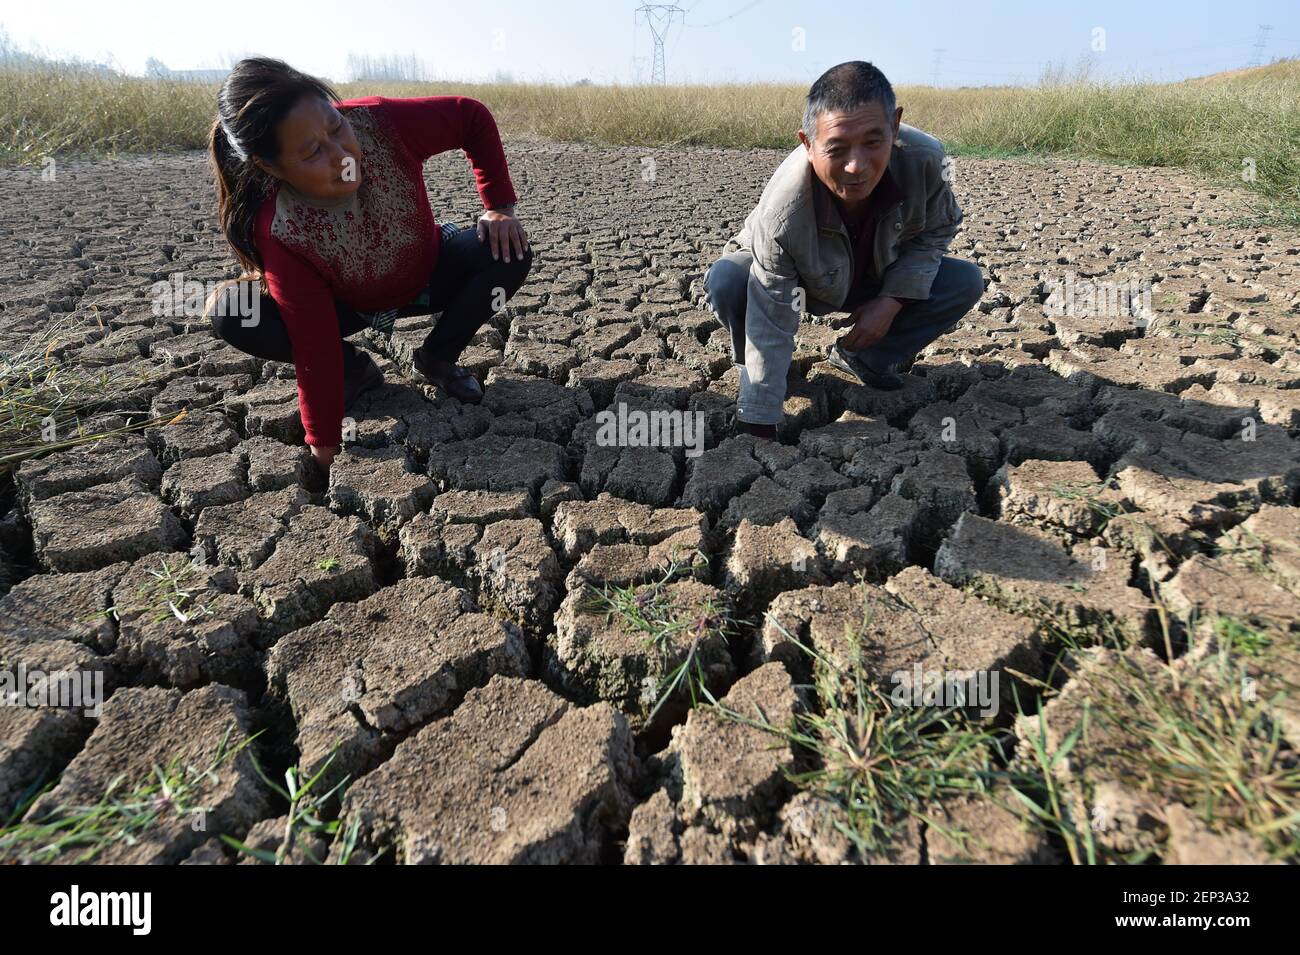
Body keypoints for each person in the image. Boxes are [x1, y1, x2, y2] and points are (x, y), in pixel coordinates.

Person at [203, 57, 533, 474]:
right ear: (269, 167)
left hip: (427, 272)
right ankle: (355, 370)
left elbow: (471, 117)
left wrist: (500, 207)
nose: (342, 155)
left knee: (509, 250)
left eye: (337, 127)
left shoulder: (382, 122)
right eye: (312, 153)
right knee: (232, 311)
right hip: (346, 304)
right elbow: (313, 345)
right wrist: (323, 447)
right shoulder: (282, 230)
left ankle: (438, 358)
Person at [703, 60, 984, 440]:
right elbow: (772, 310)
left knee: (964, 280)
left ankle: (865, 357)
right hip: (800, 282)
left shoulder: (926, 161)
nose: (857, 167)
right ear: (808, 144)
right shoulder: (784, 209)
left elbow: (936, 231)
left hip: (877, 275)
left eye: (873, 142)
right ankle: (760, 370)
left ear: (895, 126)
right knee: (729, 278)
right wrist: (759, 421)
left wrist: (893, 299)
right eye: (837, 148)